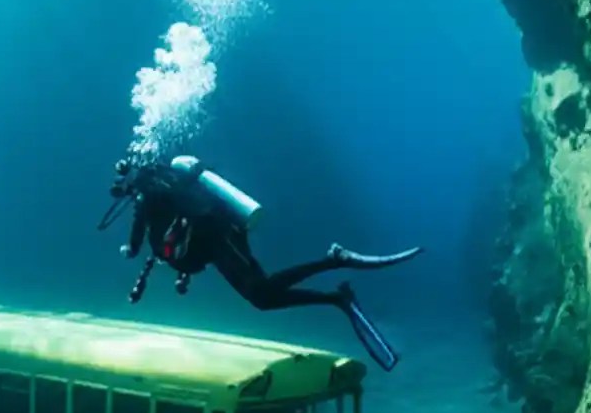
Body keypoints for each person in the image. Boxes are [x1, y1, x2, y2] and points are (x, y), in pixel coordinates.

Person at [96, 156, 422, 371]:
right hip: (213, 243)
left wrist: (130, 248)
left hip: (220, 235)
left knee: (261, 291)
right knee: (262, 299)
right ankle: (336, 297)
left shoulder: (149, 193)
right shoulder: (158, 189)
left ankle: (334, 260)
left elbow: (137, 244)